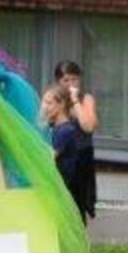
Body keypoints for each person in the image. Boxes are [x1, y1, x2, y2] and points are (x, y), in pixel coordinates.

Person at [52, 62, 98, 220]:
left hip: (81, 157)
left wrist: (75, 101)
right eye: (66, 80)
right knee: (60, 201)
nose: (71, 84)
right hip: (61, 156)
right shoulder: (54, 99)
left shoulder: (86, 99)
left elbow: (88, 126)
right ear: (58, 81)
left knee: (78, 204)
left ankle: (80, 239)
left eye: (74, 79)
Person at [43, 84, 95, 223]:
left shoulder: (65, 131)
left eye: (49, 103)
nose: (44, 107)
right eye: (44, 102)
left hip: (64, 189)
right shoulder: (55, 128)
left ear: (61, 105)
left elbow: (48, 158)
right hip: (60, 187)